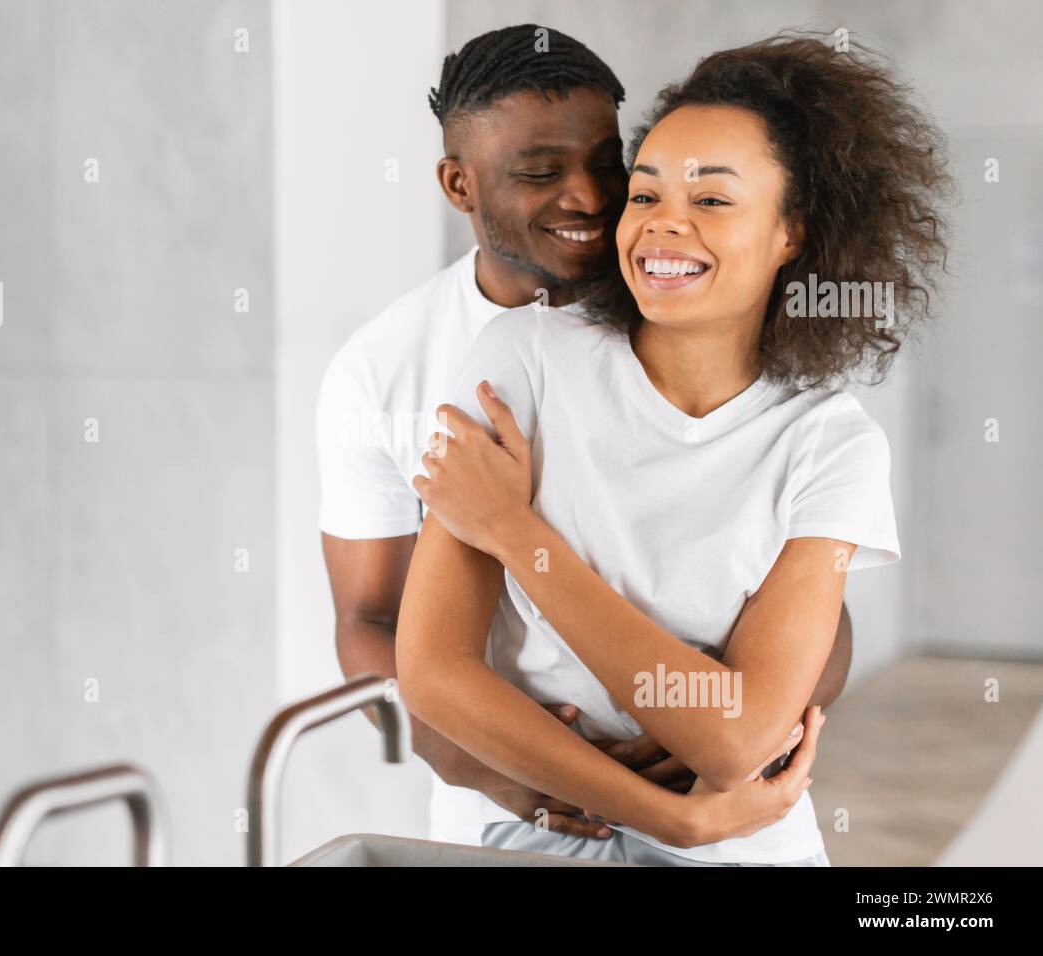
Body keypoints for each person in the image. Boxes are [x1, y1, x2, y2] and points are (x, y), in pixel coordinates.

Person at [398, 32, 950, 865]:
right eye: (646, 194)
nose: (663, 228)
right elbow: (435, 670)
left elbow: (735, 741)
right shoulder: (526, 358)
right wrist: (669, 817)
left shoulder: (829, 443)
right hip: (552, 841)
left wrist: (515, 532)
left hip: (752, 848)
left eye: (714, 202)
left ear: (793, 232)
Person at [316, 25, 852, 849]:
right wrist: (486, 766)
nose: (593, 199)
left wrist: (747, 730)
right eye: (539, 172)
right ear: (459, 184)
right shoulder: (400, 365)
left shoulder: (696, 303)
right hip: (515, 810)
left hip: (731, 803)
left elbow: (803, 598)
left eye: (612, 166)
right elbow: (372, 620)